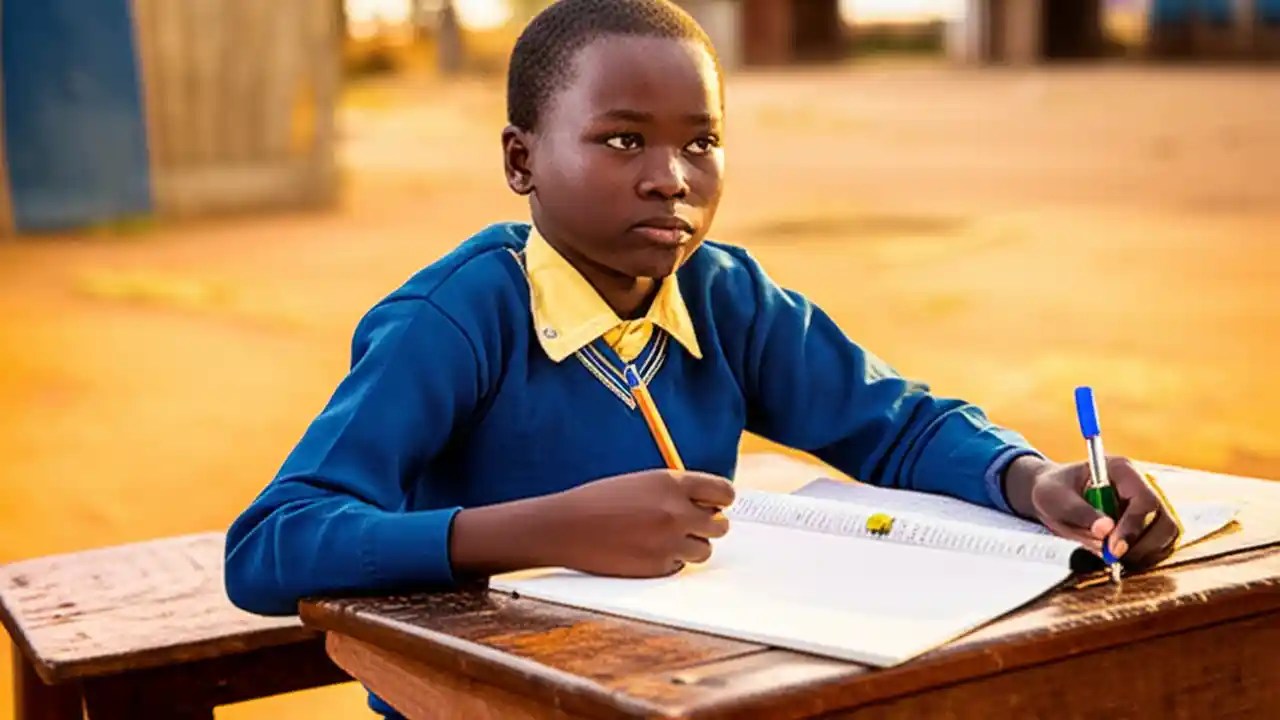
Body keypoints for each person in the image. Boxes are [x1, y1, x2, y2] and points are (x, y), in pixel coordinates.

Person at [224, 0, 1180, 715]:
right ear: (521, 162)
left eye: (703, 142)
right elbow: (271, 544)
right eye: (623, 139)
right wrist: (542, 531)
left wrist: (1027, 478)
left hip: (681, 687)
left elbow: (896, 423)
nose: (671, 178)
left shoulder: (723, 293)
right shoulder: (458, 318)